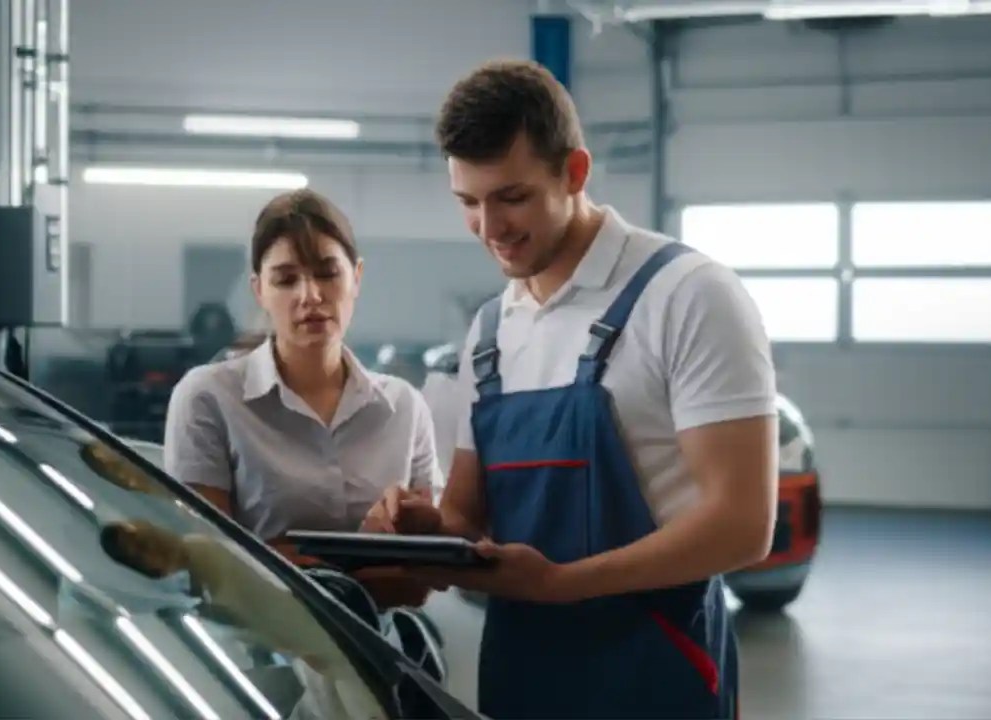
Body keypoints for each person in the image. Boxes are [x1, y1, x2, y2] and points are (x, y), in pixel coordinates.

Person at [362, 59, 779, 719]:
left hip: (656, 675)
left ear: (574, 173)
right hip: (523, 677)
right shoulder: (491, 331)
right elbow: (467, 519)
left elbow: (743, 525)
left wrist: (560, 585)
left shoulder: (689, 295)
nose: (489, 228)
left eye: (512, 196)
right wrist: (425, 532)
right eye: (468, 202)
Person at [163, 188, 442, 609]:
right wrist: (369, 560)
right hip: (257, 654)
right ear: (259, 290)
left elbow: (423, 578)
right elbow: (209, 565)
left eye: (328, 273)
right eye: (286, 279)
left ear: (357, 277)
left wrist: (283, 561)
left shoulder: (403, 407)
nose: (310, 295)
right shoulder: (208, 397)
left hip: (382, 651)